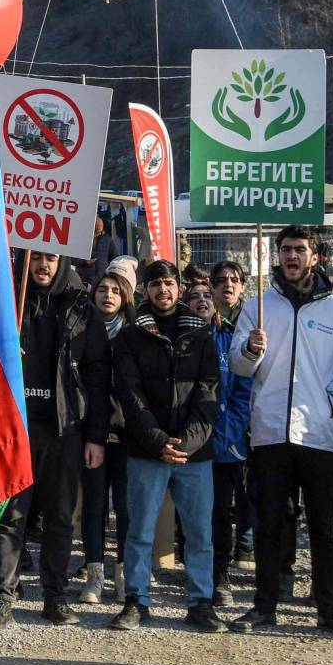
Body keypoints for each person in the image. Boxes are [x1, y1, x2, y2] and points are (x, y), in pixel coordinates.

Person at [227, 225, 333, 636]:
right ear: (277, 255)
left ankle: (328, 609)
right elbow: (238, 366)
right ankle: (264, 606)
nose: (291, 256)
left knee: (324, 528)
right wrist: (250, 350)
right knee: (271, 523)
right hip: (271, 432)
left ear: (315, 257)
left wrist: (331, 403)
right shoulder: (258, 307)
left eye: (300, 250)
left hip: (319, 434)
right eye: (285, 249)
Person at [0, 250, 107, 632]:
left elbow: (99, 379)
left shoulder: (81, 309)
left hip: (64, 430)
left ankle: (54, 595)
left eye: (51, 258)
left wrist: (96, 436)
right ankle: (3, 595)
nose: (43, 265)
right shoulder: (9, 305)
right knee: (10, 517)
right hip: (16, 429)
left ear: (62, 263)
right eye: (36, 257)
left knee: (59, 518)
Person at [108, 262, 224, 632]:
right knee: (140, 530)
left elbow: (208, 392)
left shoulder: (201, 334)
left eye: (169, 283)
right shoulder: (129, 337)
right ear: (144, 290)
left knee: (198, 533)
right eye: (156, 284)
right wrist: (158, 441)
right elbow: (130, 395)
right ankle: (136, 600)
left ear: (179, 288)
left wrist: (186, 443)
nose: (163, 290)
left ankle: (200, 601)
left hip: (195, 453)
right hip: (147, 450)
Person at [78, 259, 133, 607]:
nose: (108, 295)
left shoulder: (137, 331)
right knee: (94, 506)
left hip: (129, 436)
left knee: (127, 508)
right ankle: (94, 574)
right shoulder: (82, 329)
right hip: (94, 433)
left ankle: (123, 573)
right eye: (102, 289)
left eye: (115, 290)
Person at [207, 259, 255, 600]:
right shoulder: (202, 327)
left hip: (241, 435)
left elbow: (247, 389)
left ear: (243, 287)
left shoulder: (252, 328)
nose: (228, 284)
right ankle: (210, 573)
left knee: (240, 506)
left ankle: (230, 570)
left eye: (234, 280)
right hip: (207, 434)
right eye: (221, 279)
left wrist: (229, 431)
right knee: (211, 509)